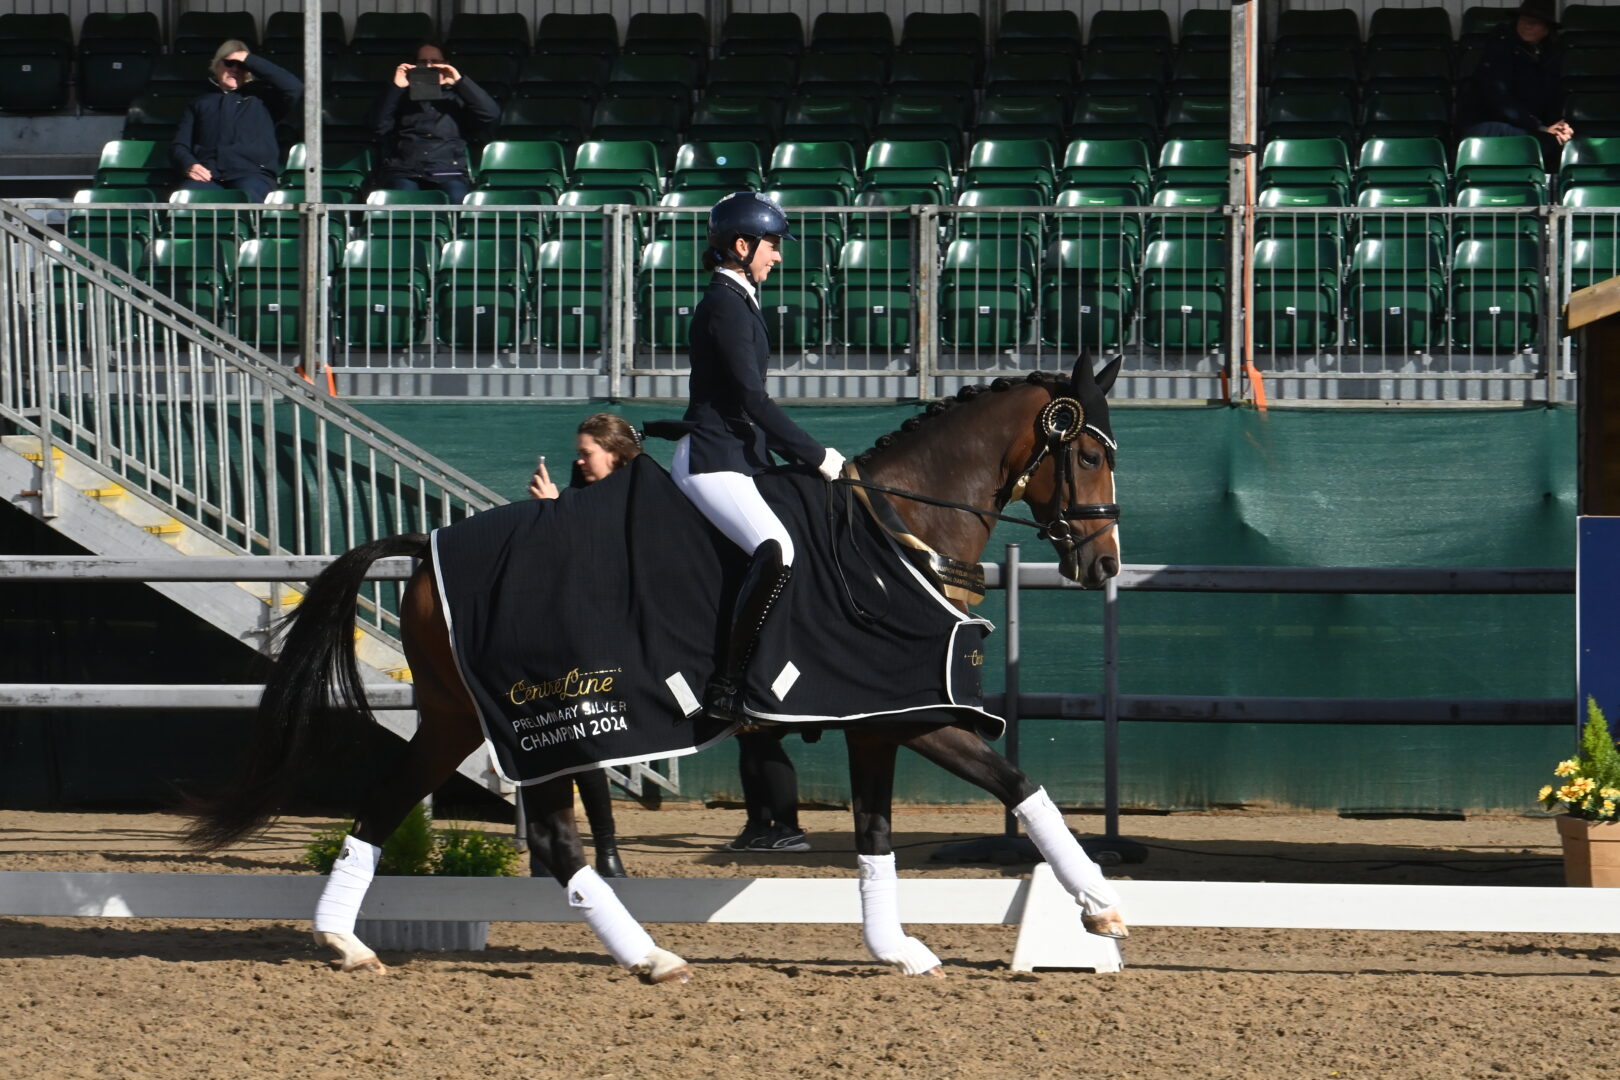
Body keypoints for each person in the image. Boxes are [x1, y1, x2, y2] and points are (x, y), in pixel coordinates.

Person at [671, 191, 847, 728]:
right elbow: (751, 399)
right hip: (713, 460)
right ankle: (727, 687)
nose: (777, 255)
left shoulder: (739, 299)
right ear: (741, 245)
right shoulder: (724, 304)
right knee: (777, 550)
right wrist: (816, 455)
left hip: (739, 455)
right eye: (771, 245)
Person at [523, 413, 643, 877]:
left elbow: (606, 553)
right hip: (561, 631)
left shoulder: (633, 497)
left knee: (586, 740)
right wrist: (549, 510)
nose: (580, 460)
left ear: (614, 453)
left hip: (605, 637)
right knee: (548, 736)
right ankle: (546, 844)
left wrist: (559, 509)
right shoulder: (576, 496)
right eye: (579, 452)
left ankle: (607, 848)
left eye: (587, 451)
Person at [367, 41, 499, 205]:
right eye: (423, 62)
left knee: (458, 200)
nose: (429, 66)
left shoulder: (458, 97)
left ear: (446, 64)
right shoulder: (401, 96)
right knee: (401, 200)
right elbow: (377, 126)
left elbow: (490, 114)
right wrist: (396, 88)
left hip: (448, 170)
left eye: (435, 62)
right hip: (405, 170)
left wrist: (459, 82)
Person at [170, 41, 302, 203]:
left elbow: (294, 88)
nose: (235, 69)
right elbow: (179, 145)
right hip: (208, 175)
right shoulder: (201, 102)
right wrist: (189, 165)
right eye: (229, 63)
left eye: (241, 65)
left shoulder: (263, 97)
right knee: (183, 202)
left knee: (248, 202)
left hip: (252, 173)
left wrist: (249, 60)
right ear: (216, 65)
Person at [1457, 0, 1572, 169]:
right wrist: (1540, 127)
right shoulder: (1499, 47)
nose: (1526, 26)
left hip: (1526, 125)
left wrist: (1559, 126)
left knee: (1560, 140)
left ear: (1547, 29)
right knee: (1545, 142)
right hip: (1489, 124)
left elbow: (1552, 94)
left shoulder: (1550, 55)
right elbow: (1497, 98)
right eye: (1522, 20)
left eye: (1533, 23)